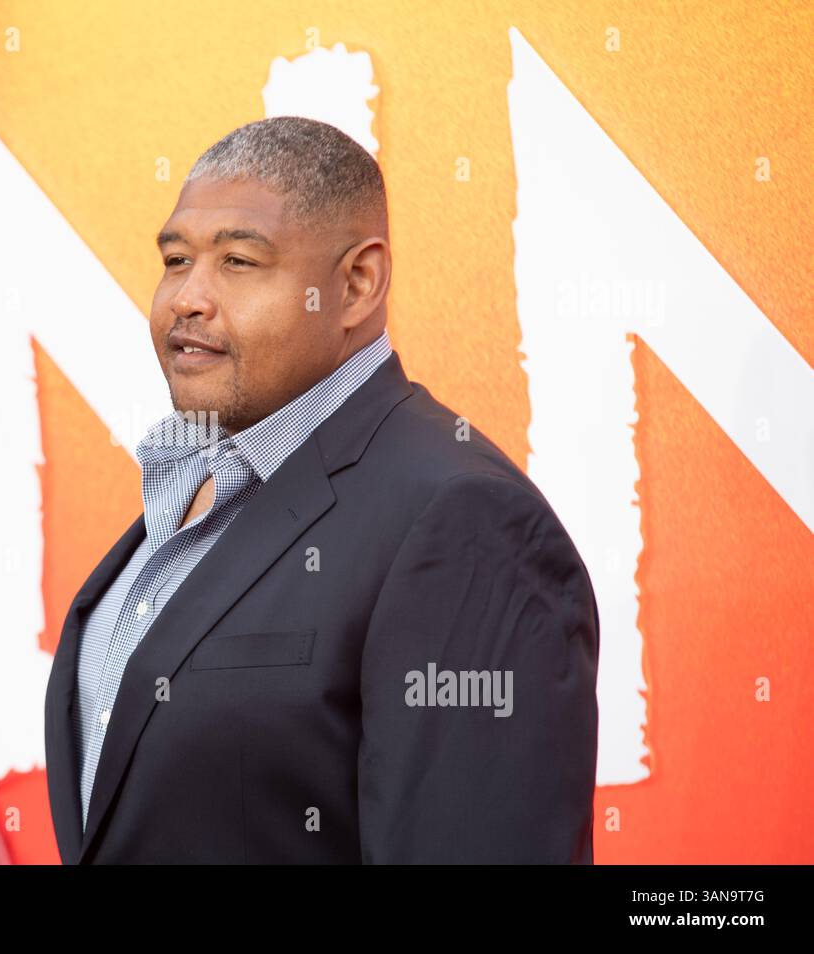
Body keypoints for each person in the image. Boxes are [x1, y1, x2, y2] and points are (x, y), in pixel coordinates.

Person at [44, 115, 599, 863]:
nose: (187, 298)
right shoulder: (187, 490)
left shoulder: (463, 521)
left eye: (239, 262)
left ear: (357, 284)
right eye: (176, 260)